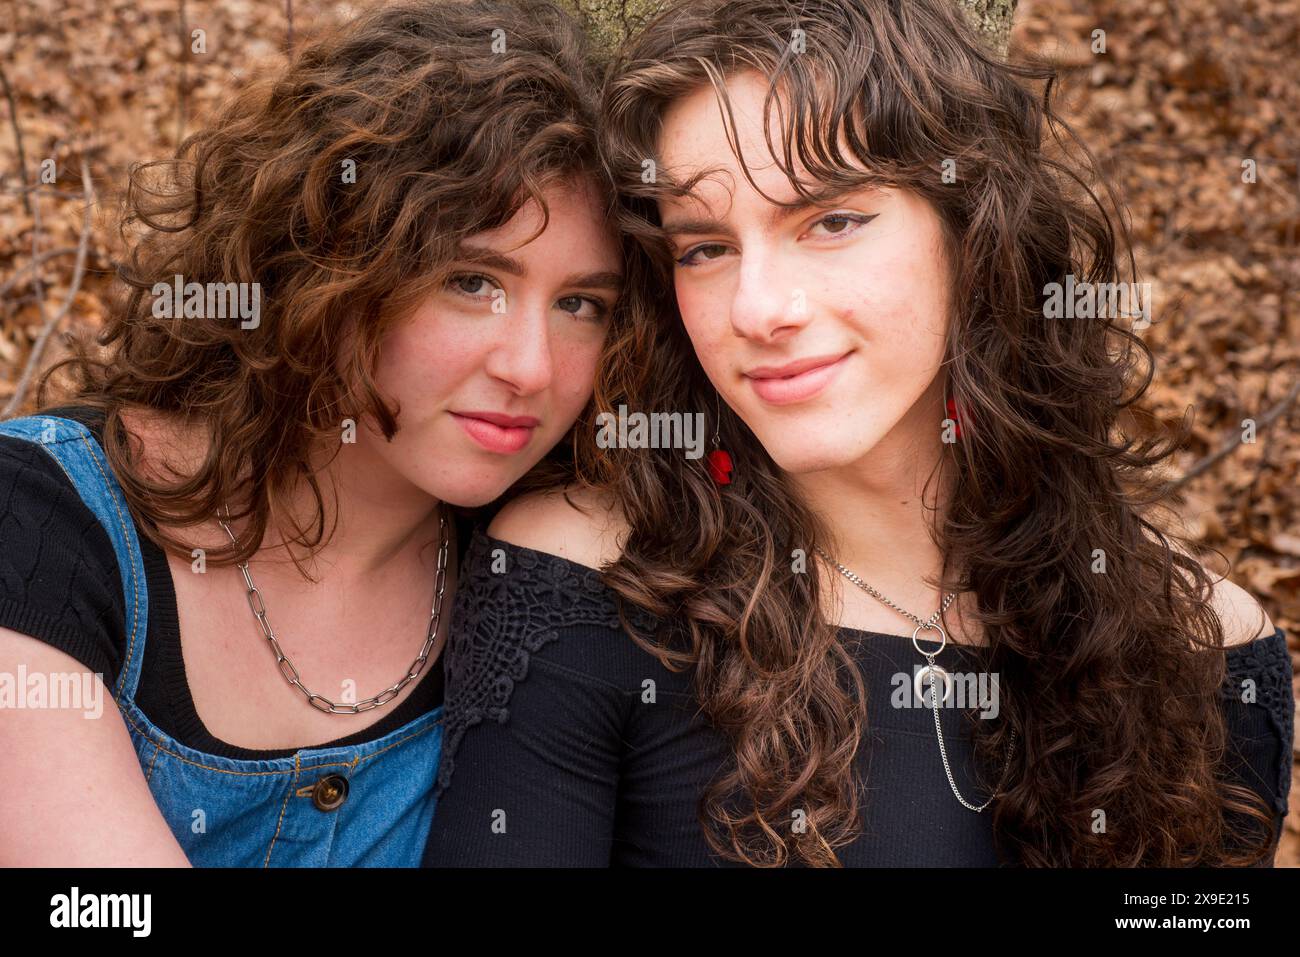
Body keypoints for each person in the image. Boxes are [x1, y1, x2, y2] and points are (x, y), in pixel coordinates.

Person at [421, 0, 1294, 866]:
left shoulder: (1205, 647)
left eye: (830, 221)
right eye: (704, 246)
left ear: (972, 234)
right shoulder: (584, 588)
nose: (759, 310)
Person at [0, 0, 624, 866]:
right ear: (328, 263)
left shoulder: (540, 581)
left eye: (580, 304)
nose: (532, 368)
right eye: (472, 280)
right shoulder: (43, 520)